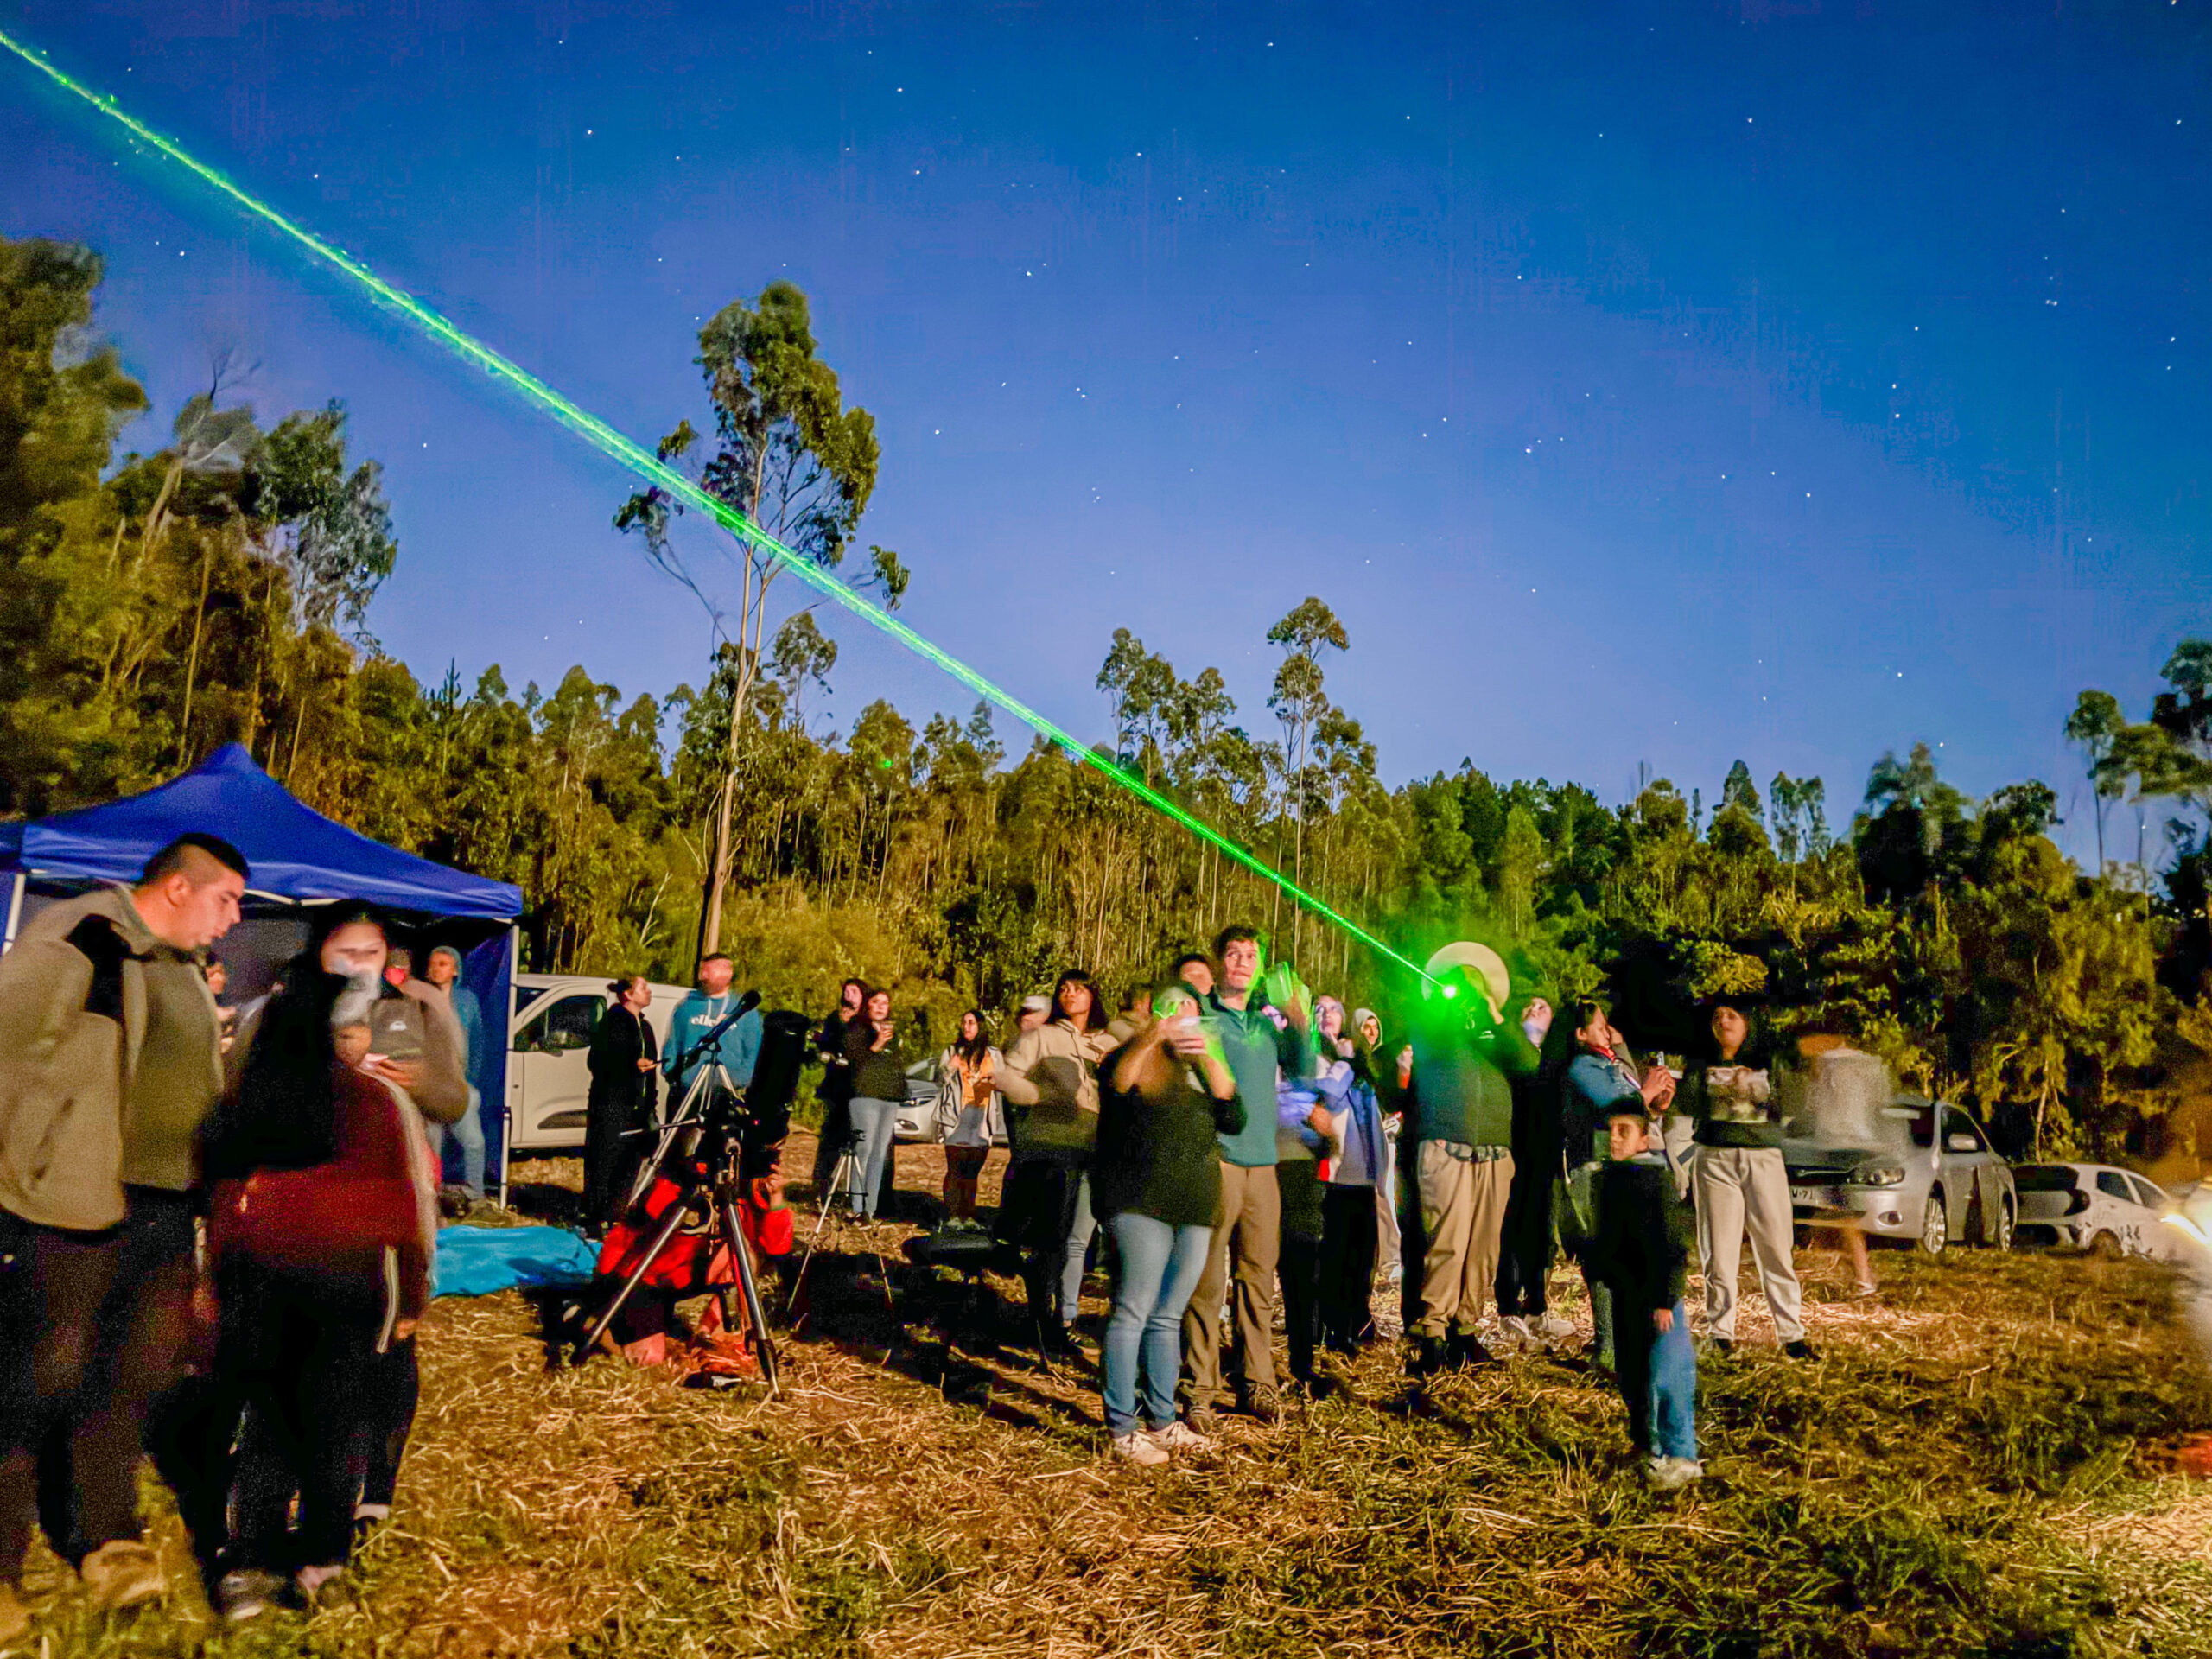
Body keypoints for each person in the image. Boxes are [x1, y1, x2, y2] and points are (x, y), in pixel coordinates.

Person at [0, 835, 246, 1637]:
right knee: (40, 1381)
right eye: (227, 901)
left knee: (129, 1379)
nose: (233, 921)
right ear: (178, 887)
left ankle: (104, 1537)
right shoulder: (84, 938)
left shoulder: (178, 968)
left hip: (166, 1212)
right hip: (70, 1203)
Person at [199, 918, 451, 1618]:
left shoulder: (306, 1097)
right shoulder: (329, 1100)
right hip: (320, 1282)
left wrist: (217, 1283)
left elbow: (228, 1199)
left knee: (288, 1423)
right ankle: (294, 1558)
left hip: (302, 1283)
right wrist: (409, 1289)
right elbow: (397, 1201)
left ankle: (282, 1559)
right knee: (310, 1423)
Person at [1092, 984, 1243, 1465]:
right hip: (1139, 1200)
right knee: (1133, 1310)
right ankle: (1121, 1427)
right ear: (1155, 1014)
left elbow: (1233, 1115)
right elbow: (1118, 1087)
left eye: (1192, 1011)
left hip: (1195, 1204)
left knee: (1167, 1317)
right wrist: (1152, 1038)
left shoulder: (1202, 1067)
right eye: (1173, 1009)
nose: (1184, 1019)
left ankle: (1162, 1420)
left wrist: (1212, 1055)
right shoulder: (1129, 1056)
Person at [1182, 926, 1313, 1428]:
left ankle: (1257, 1382)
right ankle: (1201, 1388)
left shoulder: (1264, 1027)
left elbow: (1302, 1071)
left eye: (1250, 956)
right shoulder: (1203, 1018)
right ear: (1219, 965)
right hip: (1219, 1161)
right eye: (1232, 954)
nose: (1241, 962)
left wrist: (1301, 1023)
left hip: (1265, 1166)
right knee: (1208, 1280)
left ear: (1259, 968)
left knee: (1257, 1279)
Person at [1403, 944, 1539, 1376]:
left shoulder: (1498, 1034)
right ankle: (1432, 1333)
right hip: (1447, 1148)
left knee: (1484, 1250)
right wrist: (1451, 1008)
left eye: (1475, 983)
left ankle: (1466, 1328)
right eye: (1459, 982)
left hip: (1495, 1154)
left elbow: (1529, 1064)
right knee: (1446, 1242)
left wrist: (1494, 1017)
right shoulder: (1432, 1028)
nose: (1467, 990)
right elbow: (1431, 1050)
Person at [1682, 1001, 1813, 1359]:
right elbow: (1687, 1103)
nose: (1722, 1021)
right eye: (1717, 1016)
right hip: (1715, 1159)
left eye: (1731, 1015)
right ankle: (1720, 1333)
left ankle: (1791, 1335)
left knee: (1775, 1246)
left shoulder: (1768, 1062)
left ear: (1747, 1024)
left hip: (1762, 1159)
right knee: (1718, 1251)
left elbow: (1794, 1103)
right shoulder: (1700, 1062)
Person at [1586, 1101, 1701, 1491]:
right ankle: (1646, 1446)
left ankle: (1681, 1454)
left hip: (1656, 1298)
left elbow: (1670, 1245)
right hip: (1625, 1293)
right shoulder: (1609, 1178)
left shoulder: (1655, 1182)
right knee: (1632, 1373)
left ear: (1644, 1138)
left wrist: (1666, 1299)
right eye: (1612, 1130)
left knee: (1667, 1375)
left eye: (1624, 1131)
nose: (1615, 1139)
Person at [995, 972, 1113, 1350]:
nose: (1069, 994)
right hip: (1056, 1149)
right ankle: (1048, 1320)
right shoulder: (1042, 1036)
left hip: (1102, 1151)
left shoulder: (1109, 1041)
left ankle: (1069, 1316)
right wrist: (1041, 1095)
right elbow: (1006, 1079)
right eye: (1063, 988)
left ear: (1093, 995)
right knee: (1055, 1240)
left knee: (1086, 1240)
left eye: (1078, 988)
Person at [1556, 999, 1675, 1371]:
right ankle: (1607, 1349)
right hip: (1594, 1169)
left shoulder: (1610, 1064)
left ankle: (1630, 1344)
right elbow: (1612, 1107)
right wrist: (1646, 1090)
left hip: (1621, 1169)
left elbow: (1635, 1113)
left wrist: (1658, 1101)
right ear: (1580, 1034)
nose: (1607, 1030)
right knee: (1603, 1258)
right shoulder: (1582, 1067)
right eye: (1599, 1024)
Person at [1318, 997, 1391, 1364]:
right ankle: (1333, 1328)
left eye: (1333, 1009)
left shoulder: (1358, 1067)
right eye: (1319, 1009)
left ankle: (1356, 1320)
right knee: (1334, 1257)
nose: (1327, 1014)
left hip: (1363, 1177)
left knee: (1363, 1259)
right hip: (1332, 1176)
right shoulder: (1317, 1059)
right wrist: (1344, 1063)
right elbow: (1324, 1096)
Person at [1495, 996, 1564, 1351]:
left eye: (1543, 1007)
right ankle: (1508, 1308)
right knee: (1511, 1230)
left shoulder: (1555, 1061)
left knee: (1541, 1235)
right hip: (1513, 1150)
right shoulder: (1507, 1050)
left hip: (1545, 1157)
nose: (1535, 1009)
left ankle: (1536, 1306)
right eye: (1529, 1005)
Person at [584, 976, 659, 1232]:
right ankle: (596, 1217)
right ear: (627, 994)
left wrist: (651, 1102)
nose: (648, 992)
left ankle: (616, 1215)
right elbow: (598, 1061)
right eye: (643, 988)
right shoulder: (612, 1022)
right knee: (605, 1161)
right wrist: (631, 1066)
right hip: (612, 1105)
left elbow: (651, 1069)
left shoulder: (645, 1027)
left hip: (639, 1108)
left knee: (630, 1163)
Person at [422, 944, 488, 1201]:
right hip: (429, 1086)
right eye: (433, 963)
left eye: (443, 964)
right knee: (432, 1144)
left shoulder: (467, 1001)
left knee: (474, 1141)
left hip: (459, 1085)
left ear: (455, 970)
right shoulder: (420, 999)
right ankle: (430, 1198)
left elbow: (478, 1042)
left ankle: (475, 1195)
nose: (436, 968)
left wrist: (470, 1080)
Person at [665, 955, 761, 1115]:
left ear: (728, 973)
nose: (703, 976)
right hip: (689, 1089)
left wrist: (741, 1080)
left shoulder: (744, 1010)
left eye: (709, 971)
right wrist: (671, 1071)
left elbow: (753, 1050)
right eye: (703, 971)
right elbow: (674, 1041)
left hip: (725, 1091)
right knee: (681, 1137)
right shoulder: (688, 1006)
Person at [842, 987, 906, 1222]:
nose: (881, 1006)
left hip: (889, 1099)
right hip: (864, 1098)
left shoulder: (894, 1034)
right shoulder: (858, 1029)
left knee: (880, 1154)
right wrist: (877, 1043)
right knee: (864, 1150)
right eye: (876, 1002)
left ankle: (871, 1209)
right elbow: (855, 1061)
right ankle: (857, 1207)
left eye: (885, 1003)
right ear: (868, 1005)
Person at [934, 1010, 1000, 1220]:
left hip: (981, 1118)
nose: (967, 1026)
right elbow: (938, 1080)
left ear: (980, 1026)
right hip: (956, 1117)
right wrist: (951, 1067)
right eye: (964, 1022)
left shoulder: (993, 1054)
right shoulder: (953, 1051)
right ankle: (953, 1215)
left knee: (973, 1170)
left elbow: (1004, 1081)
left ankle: (968, 1215)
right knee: (955, 1167)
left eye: (971, 1023)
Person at [811, 979, 866, 1194]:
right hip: (836, 1088)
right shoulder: (834, 1018)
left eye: (854, 991)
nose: (848, 995)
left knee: (857, 1140)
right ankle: (822, 1187)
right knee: (830, 1140)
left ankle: (854, 1190)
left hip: (858, 1087)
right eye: (846, 991)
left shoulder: (865, 1021)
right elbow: (824, 1044)